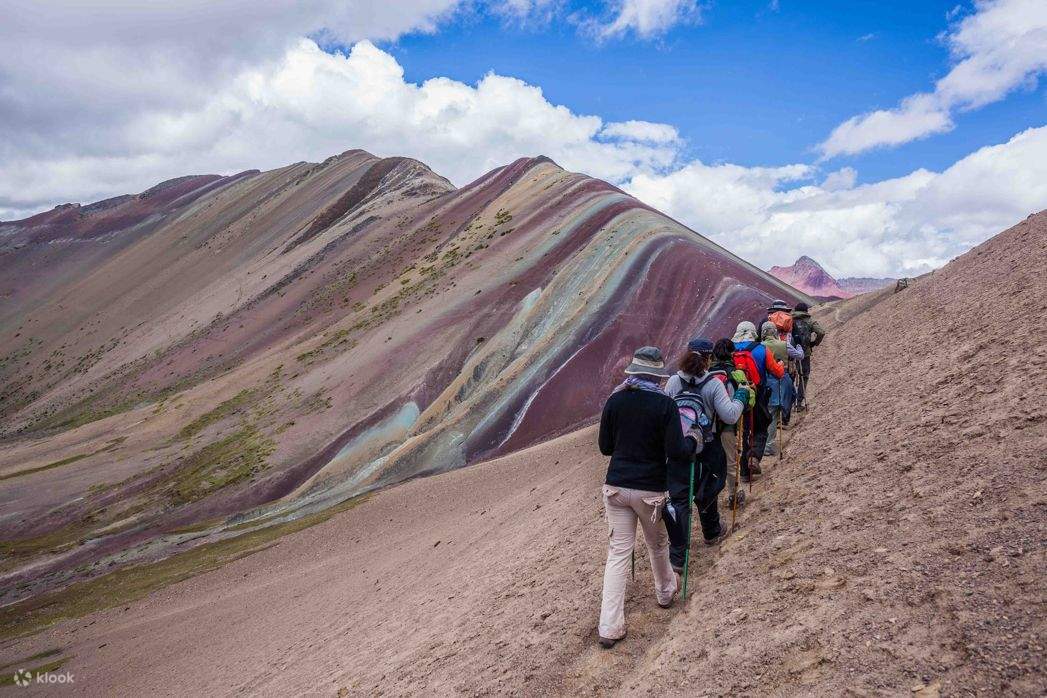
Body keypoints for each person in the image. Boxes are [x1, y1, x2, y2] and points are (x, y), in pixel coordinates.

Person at [596, 346, 693, 649]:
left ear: (633, 372)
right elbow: (675, 451)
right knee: (657, 543)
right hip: (650, 489)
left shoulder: (615, 399)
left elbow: (605, 447)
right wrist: (692, 441)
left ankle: (610, 626)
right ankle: (665, 592)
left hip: (616, 487)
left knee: (618, 554)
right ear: (657, 376)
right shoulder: (665, 405)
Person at [662, 338, 749, 571]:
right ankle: (711, 532)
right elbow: (730, 416)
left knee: (679, 498)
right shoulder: (713, 384)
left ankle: (678, 555)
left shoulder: (673, 381)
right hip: (707, 446)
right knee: (707, 491)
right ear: (708, 358)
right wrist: (741, 397)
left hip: (678, 448)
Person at [730, 321, 784, 481]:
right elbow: (777, 372)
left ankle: (744, 472)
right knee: (760, 427)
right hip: (757, 394)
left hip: (735, 395)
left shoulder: (731, 349)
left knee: (743, 431)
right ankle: (753, 457)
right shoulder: (761, 349)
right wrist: (781, 365)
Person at [709, 338, 750, 510]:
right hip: (728, 424)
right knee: (732, 460)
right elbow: (748, 401)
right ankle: (733, 494)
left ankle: (710, 496)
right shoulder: (737, 373)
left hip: (708, 425)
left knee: (711, 461)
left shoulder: (707, 373)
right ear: (732, 353)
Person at [759, 322, 795, 457]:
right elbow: (798, 355)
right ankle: (768, 445)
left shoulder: (760, 347)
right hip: (782, 381)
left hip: (765, 382)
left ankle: (763, 445)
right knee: (774, 414)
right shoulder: (784, 344)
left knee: (767, 413)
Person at [790, 302, 826, 409]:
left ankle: (789, 401)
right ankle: (799, 402)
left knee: (790, 376)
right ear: (806, 311)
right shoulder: (809, 321)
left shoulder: (789, 320)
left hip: (790, 353)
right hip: (805, 353)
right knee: (804, 376)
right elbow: (821, 332)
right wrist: (814, 343)